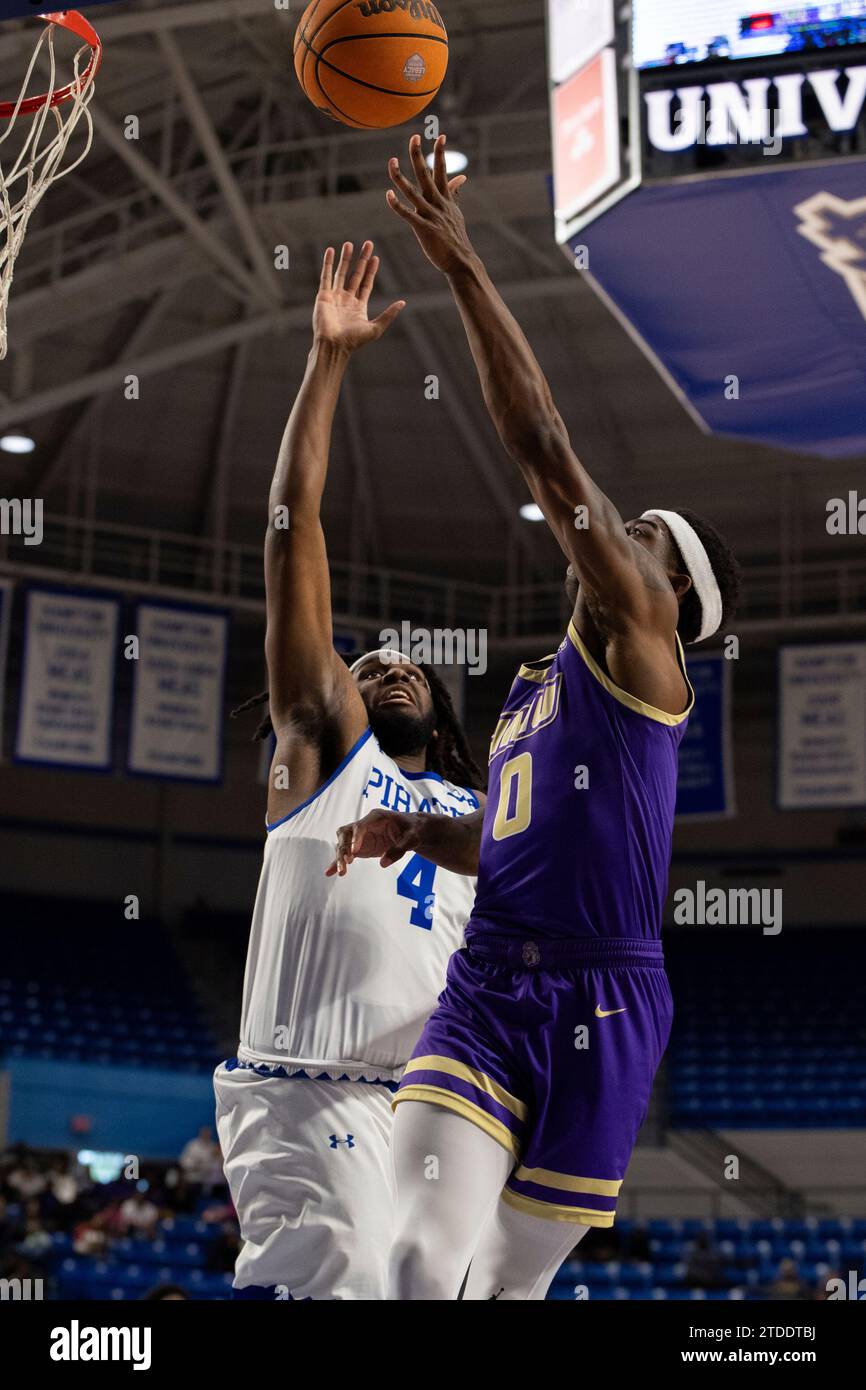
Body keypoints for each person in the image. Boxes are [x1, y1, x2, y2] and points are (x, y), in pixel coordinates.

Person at [331, 135, 741, 1301]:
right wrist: (423, 832)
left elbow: (543, 445)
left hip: (604, 998)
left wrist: (461, 264)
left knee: (504, 1288)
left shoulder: (645, 653)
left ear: (671, 600)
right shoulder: (531, 687)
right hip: (487, 985)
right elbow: (517, 839)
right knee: (416, 1259)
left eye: (640, 539)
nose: (615, 536)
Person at [213, 241, 484, 1301]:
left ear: (444, 712)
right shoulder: (324, 752)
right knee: (350, 1283)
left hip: (435, 1107)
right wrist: (326, 363)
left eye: (411, 662)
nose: (392, 665)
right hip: (307, 1088)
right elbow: (291, 537)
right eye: (367, 663)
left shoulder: (474, 809)